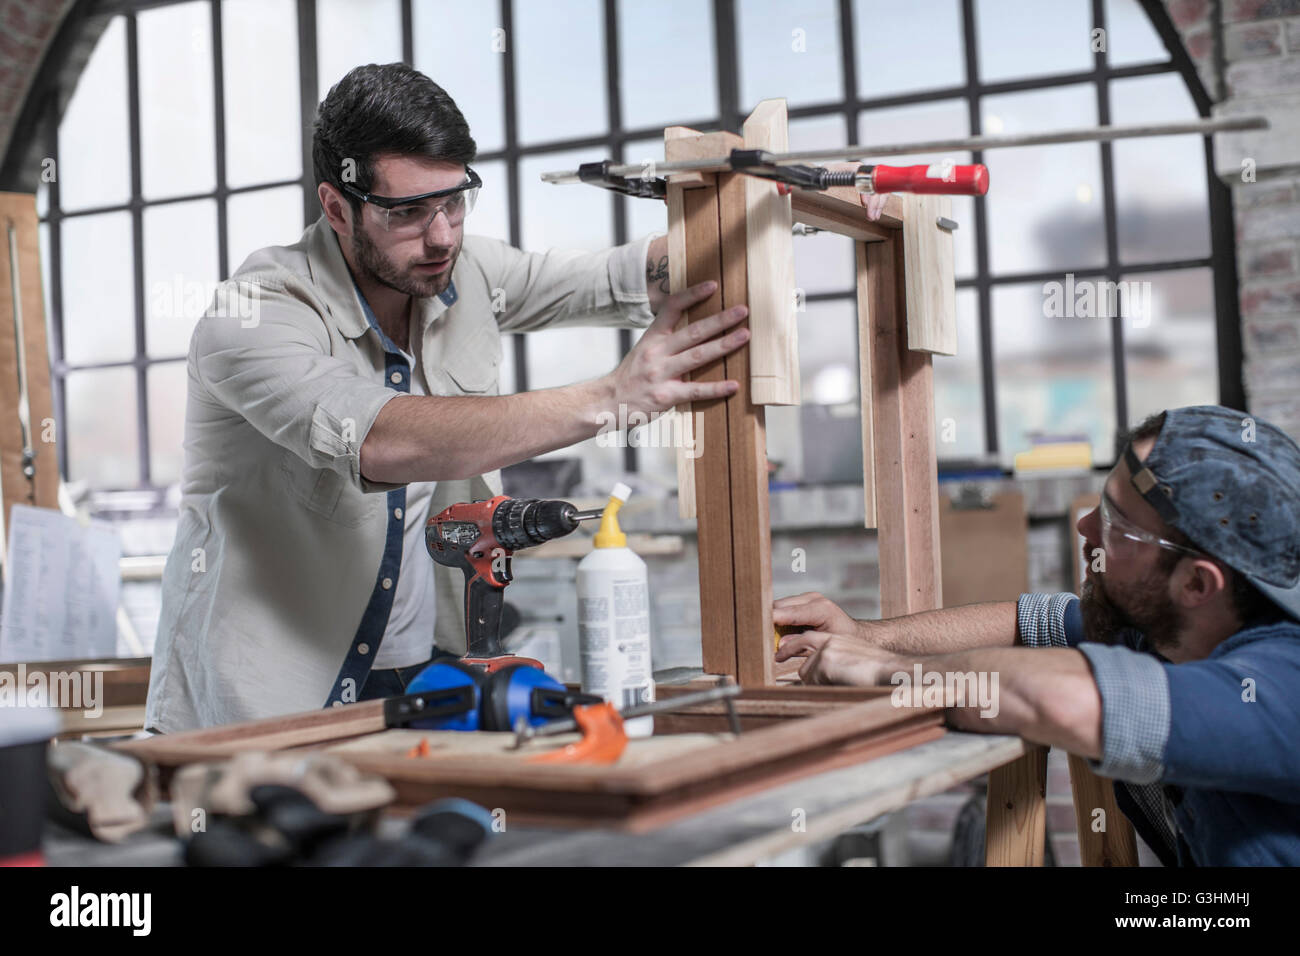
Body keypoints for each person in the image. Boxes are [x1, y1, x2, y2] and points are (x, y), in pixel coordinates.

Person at [145, 63, 761, 732]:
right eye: (408, 212)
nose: (441, 236)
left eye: (455, 201)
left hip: (418, 675)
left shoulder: (461, 270)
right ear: (335, 207)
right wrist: (616, 395)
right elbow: (384, 439)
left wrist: (750, 217)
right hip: (266, 702)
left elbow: (606, 277)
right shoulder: (256, 311)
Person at [775, 405, 1300, 866]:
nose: (1087, 528)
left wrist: (887, 673)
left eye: (1116, 526)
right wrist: (867, 636)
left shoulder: (1282, 686)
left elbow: (1064, 698)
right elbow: (1036, 622)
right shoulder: (1178, 632)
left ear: (1196, 583)